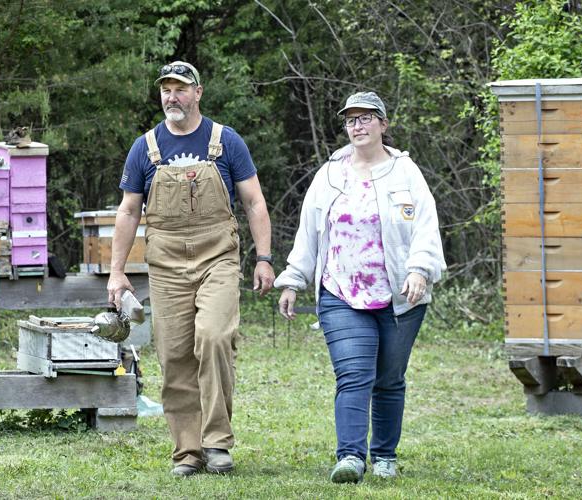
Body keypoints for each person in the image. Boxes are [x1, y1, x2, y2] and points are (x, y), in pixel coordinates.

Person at [107, 61, 275, 477]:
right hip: (165, 267)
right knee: (175, 354)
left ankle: (218, 443)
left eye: (181, 89)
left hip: (218, 256)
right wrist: (117, 271)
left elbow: (254, 202)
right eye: (166, 89)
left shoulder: (226, 141)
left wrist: (265, 258)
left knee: (214, 337)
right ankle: (188, 451)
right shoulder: (145, 147)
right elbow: (129, 212)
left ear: (198, 93)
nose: (172, 97)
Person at [274, 91, 445, 483]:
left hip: (401, 297)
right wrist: (294, 279)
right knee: (354, 374)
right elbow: (309, 233)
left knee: (388, 378)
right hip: (341, 293)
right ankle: (350, 456)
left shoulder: (405, 173)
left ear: (383, 124)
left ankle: (384, 455)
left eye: (367, 118)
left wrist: (420, 269)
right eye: (351, 119)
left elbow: (425, 226)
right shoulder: (330, 174)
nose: (358, 125)